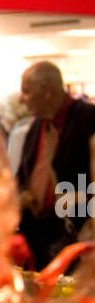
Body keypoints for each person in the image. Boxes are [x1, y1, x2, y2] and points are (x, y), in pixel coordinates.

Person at [16, 61, 95, 268]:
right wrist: (23, 192)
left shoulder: (89, 119)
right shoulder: (36, 126)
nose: (21, 99)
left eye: (26, 91)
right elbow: (22, 174)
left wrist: (83, 196)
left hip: (76, 235)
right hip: (38, 234)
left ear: (47, 91)